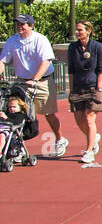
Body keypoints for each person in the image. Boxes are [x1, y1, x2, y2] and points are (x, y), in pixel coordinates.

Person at [0, 14, 68, 157]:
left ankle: (60, 139)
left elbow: (46, 61)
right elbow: (3, 61)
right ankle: (17, 147)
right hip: (22, 81)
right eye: (17, 24)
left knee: (48, 113)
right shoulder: (12, 41)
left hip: (42, 80)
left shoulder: (40, 39)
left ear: (31, 26)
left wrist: (35, 79)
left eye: (22, 24)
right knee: (19, 114)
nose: (19, 27)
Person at [66, 21, 102, 164]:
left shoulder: (98, 47)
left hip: (92, 88)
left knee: (89, 118)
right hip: (78, 88)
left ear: (88, 31)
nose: (77, 33)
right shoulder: (73, 48)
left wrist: (99, 86)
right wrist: (71, 89)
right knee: (79, 120)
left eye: (80, 30)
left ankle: (89, 151)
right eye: (76, 30)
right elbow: (71, 69)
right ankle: (94, 137)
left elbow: (101, 68)